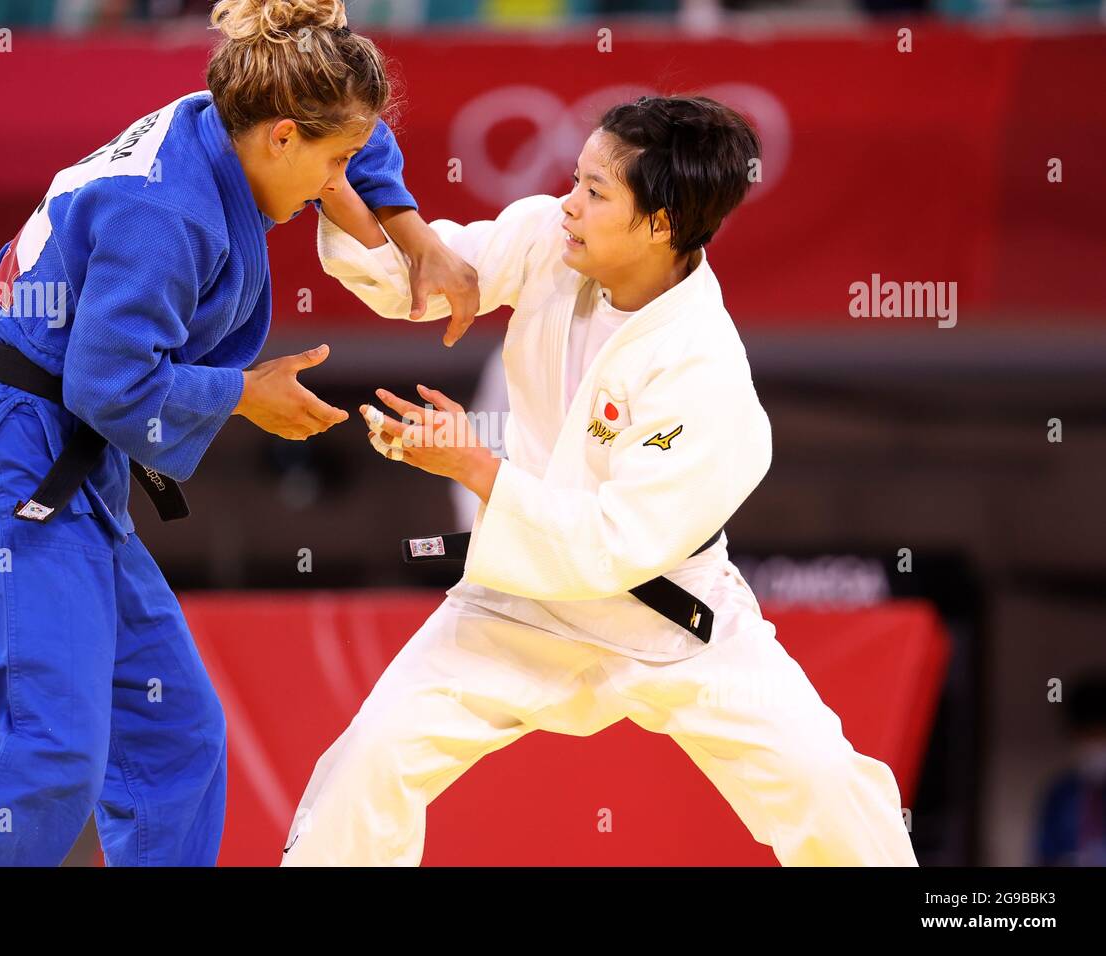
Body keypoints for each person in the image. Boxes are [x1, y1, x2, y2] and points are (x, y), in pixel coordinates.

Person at [0, 0, 476, 867]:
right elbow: (106, 383)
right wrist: (245, 394)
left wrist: (410, 229)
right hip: (10, 470)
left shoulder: (225, 124)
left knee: (174, 740)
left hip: (65, 471)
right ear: (282, 137)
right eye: (334, 163)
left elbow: (348, 123)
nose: (338, 183)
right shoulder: (169, 214)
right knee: (42, 756)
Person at [283, 94, 919, 866]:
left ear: (663, 223)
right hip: (520, 606)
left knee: (832, 793)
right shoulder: (551, 240)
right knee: (366, 768)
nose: (568, 205)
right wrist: (334, 180)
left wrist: (473, 466)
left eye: (595, 192)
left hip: (670, 619)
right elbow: (418, 276)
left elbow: (614, 548)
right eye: (575, 179)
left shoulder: (703, 372)